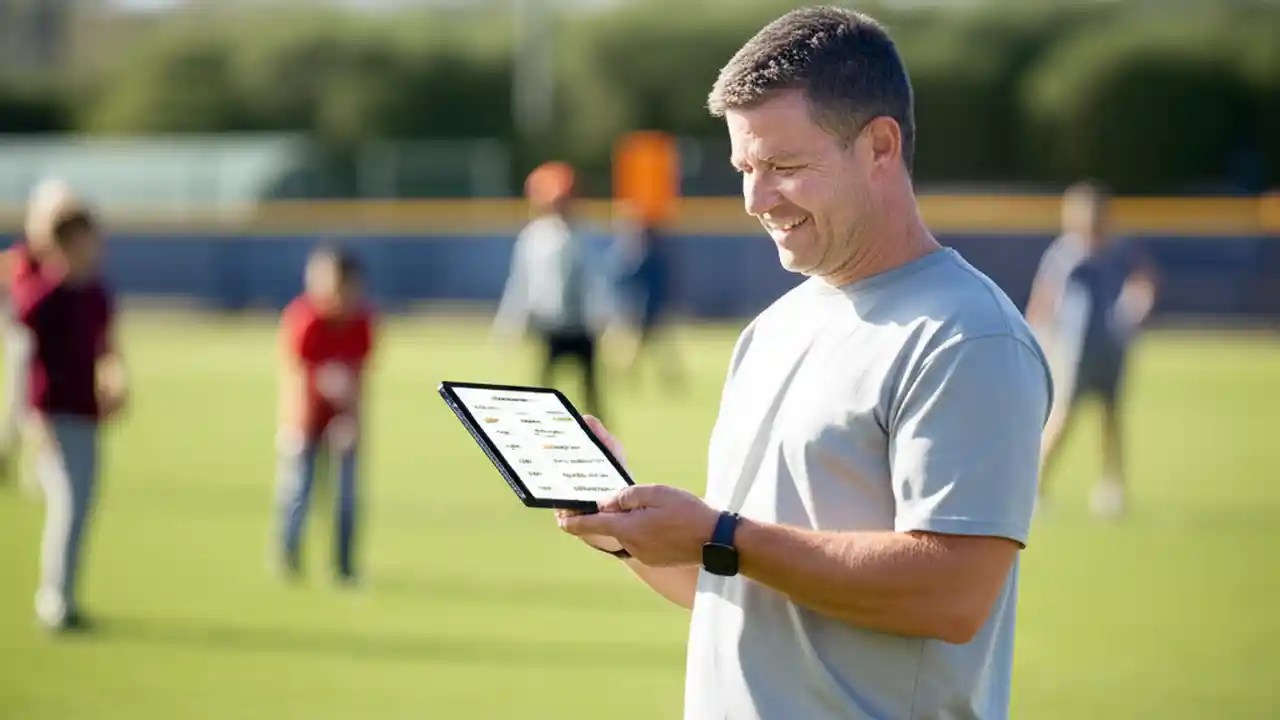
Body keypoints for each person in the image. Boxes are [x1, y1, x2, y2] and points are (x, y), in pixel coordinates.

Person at [557, 8, 1052, 719]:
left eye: (785, 167)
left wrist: (718, 533)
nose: (757, 200)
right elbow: (736, 585)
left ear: (881, 147)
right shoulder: (772, 330)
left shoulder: (967, 334)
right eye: (745, 169)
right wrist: (628, 535)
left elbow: (952, 592)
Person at [18, 203, 127, 631]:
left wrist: (117, 382)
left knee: (81, 508)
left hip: (87, 414)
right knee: (67, 505)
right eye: (85, 239)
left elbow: (107, 350)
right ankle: (54, 600)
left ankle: (66, 595)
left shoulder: (97, 293)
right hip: (54, 415)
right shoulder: (43, 298)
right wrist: (33, 424)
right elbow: (28, 365)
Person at [1026, 181, 1158, 518]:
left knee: (1111, 418)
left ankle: (1110, 488)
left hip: (1111, 347)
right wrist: (1037, 338)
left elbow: (1143, 279)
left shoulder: (1120, 251)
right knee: (1063, 417)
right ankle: (1035, 487)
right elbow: (1043, 300)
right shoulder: (1065, 255)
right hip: (1074, 351)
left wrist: (1137, 303)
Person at [274, 247, 375, 585]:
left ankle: (344, 566)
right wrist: (303, 426)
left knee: (346, 498)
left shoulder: (361, 321)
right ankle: (288, 557)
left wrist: (351, 423)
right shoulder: (305, 318)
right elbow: (300, 377)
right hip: (305, 421)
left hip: (343, 421)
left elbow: (359, 378)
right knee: (297, 493)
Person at [494, 161, 610, 419]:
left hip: (581, 327)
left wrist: (607, 320)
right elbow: (521, 283)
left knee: (591, 393)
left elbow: (598, 282)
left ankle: (602, 446)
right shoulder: (534, 236)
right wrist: (511, 321)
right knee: (541, 393)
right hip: (549, 326)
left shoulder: (586, 234)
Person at [0, 179, 75, 478]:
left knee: (42, 402)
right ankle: (10, 452)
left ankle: (39, 464)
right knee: (22, 397)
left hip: (55, 340)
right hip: (27, 334)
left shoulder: (62, 256)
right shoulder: (28, 256)